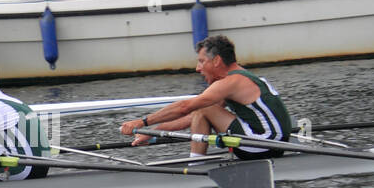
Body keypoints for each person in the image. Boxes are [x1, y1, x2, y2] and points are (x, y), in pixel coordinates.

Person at [119, 35, 292, 158]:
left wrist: (142, 122)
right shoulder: (240, 78)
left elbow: (185, 107)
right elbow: (192, 117)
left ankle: (195, 166)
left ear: (216, 61)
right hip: (274, 145)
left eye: (202, 61)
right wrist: (152, 133)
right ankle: (196, 161)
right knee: (203, 110)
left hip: (262, 146)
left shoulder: (232, 82)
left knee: (203, 107)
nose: (197, 68)